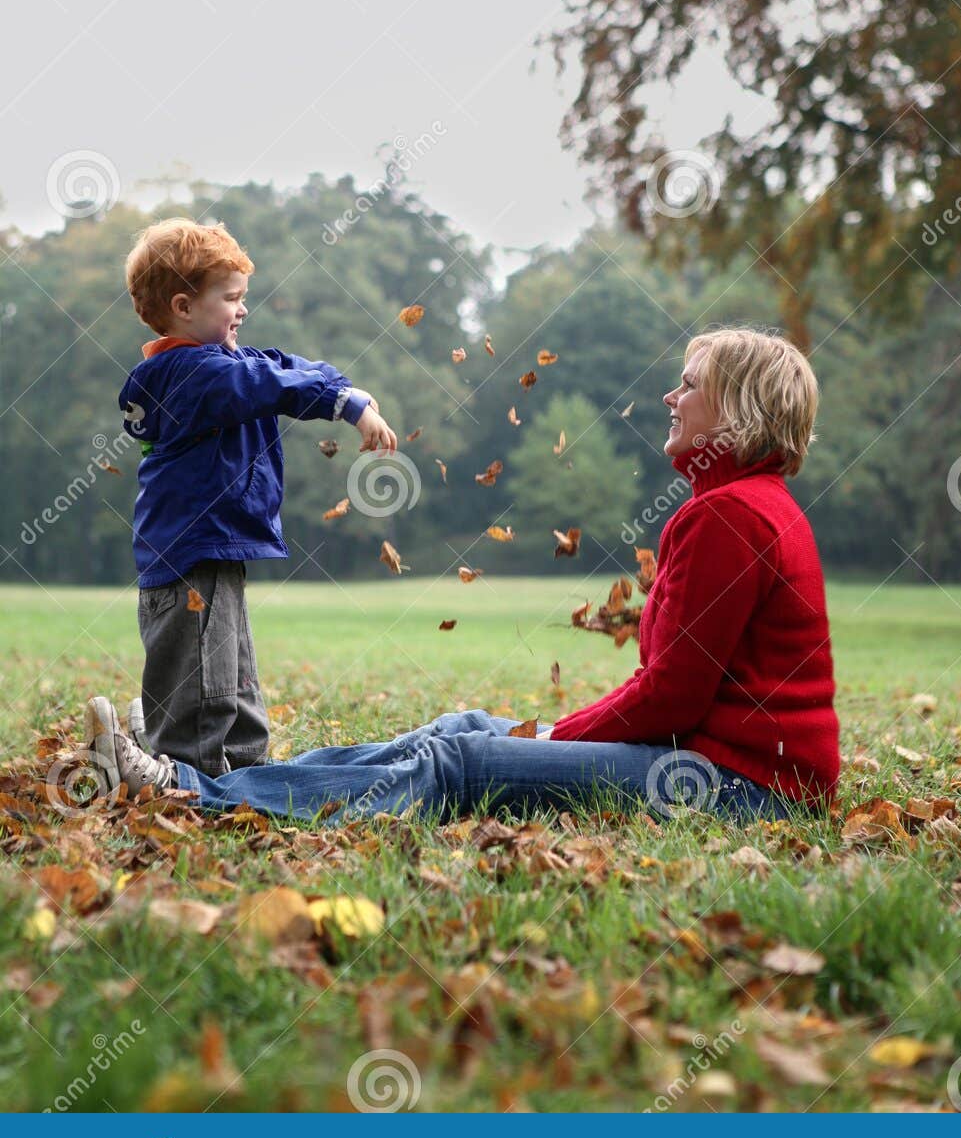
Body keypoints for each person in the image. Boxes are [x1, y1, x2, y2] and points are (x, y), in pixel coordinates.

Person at [86, 326, 838, 826]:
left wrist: (557, 739)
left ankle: (189, 793)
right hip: (718, 766)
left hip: (743, 791)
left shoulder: (730, 516)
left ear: (735, 408)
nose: (670, 398)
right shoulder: (737, 504)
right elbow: (681, 685)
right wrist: (548, 735)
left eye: (689, 385)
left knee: (460, 759)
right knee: (462, 727)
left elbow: (673, 696)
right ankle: (248, 788)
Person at [110, 217, 397, 779]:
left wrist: (347, 393)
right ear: (184, 307)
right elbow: (272, 384)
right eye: (231, 298)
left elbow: (282, 365)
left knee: (232, 675)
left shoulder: (211, 364)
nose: (242, 310)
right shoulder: (193, 376)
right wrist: (344, 407)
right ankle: (180, 780)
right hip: (196, 551)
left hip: (210, 548)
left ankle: (245, 773)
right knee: (206, 685)